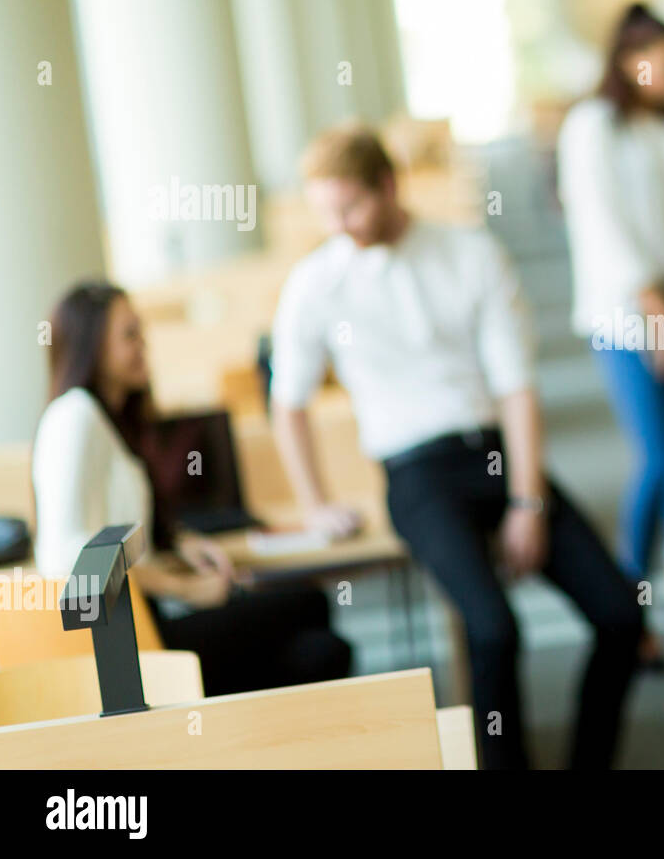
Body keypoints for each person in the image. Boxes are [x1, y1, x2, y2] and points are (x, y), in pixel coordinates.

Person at [270, 125, 644, 770]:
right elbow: (289, 402)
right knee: (494, 630)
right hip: (416, 475)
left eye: (351, 206)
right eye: (326, 211)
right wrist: (313, 503)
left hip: (495, 456)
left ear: (388, 186)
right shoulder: (316, 282)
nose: (340, 225)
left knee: (621, 615)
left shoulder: (470, 253)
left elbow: (516, 390)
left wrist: (528, 503)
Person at [32, 282, 352, 697]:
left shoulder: (110, 422)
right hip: (123, 648)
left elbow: (120, 525)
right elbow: (72, 561)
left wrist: (181, 544)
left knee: (321, 652)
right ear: (91, 345)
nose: (143, 344)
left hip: (144, 622)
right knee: (312, 604)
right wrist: (185, 588)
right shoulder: (74, 416)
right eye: (129, 335)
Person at [558, 3, 664, 668]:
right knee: (660, 456)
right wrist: (659, 313)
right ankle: (629, 608)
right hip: (627, 318)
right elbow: (604, 229)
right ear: (632, 61)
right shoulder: (592, 126)